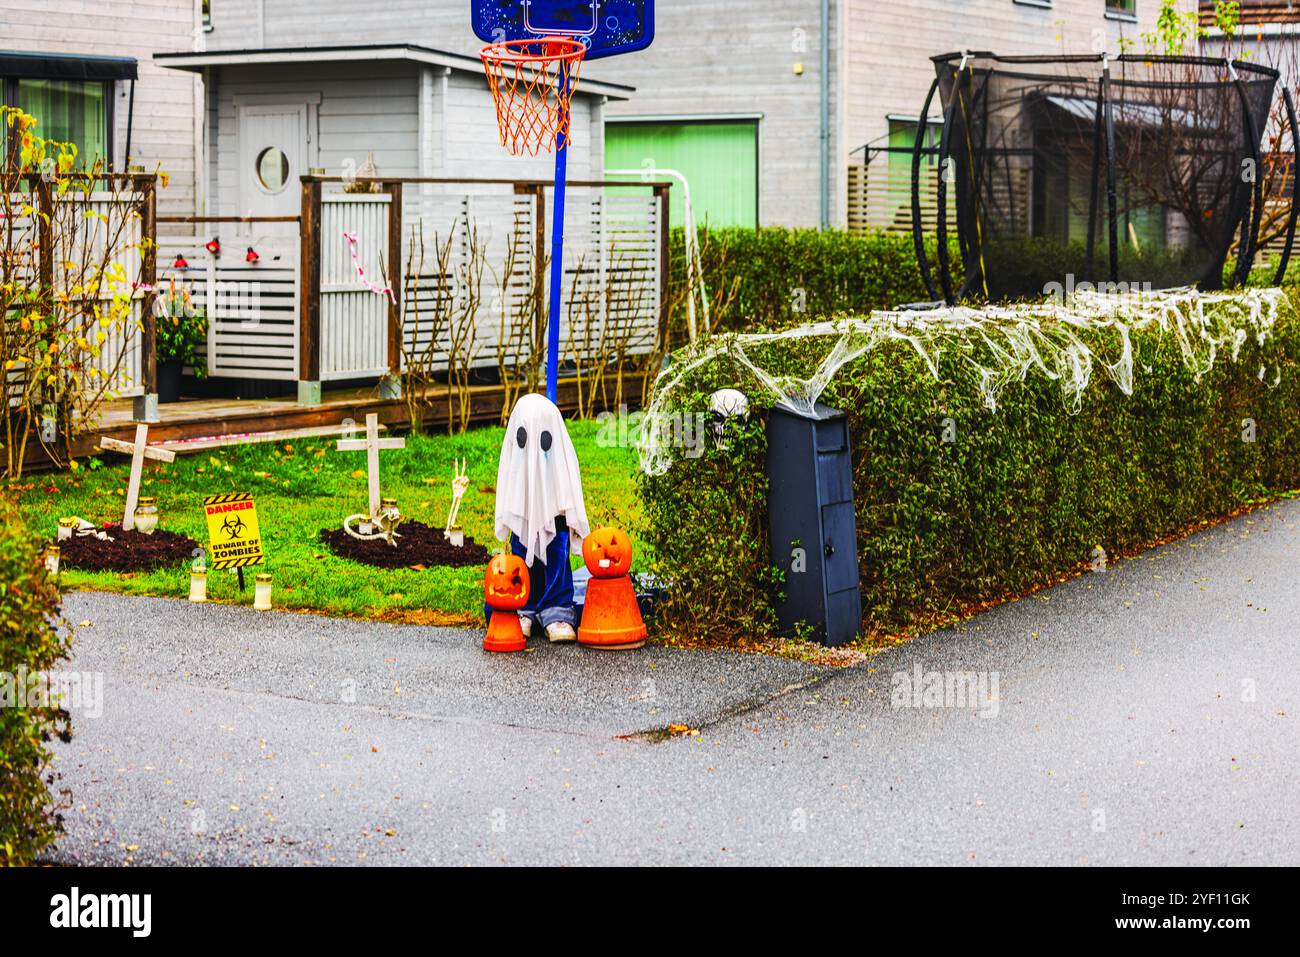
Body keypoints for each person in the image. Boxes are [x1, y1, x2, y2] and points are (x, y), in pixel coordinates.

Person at [493, 394, 589, 642]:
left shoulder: (559, 458)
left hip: (553, 514)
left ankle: (557, 611)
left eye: (543, 439)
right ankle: (526, 606)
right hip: (522, 512)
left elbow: (568, 484)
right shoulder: (517, 461)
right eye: (524, 438)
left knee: (556, 557)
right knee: (522, 559)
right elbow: (509, 473)